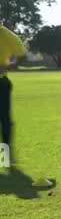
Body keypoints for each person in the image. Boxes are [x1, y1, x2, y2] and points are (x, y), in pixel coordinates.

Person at [0, 23, 27, 167]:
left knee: (4, 120)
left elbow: (22, 56)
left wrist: (7, 65)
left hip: (1, 82)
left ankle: (5, 156)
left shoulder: (8, 35)